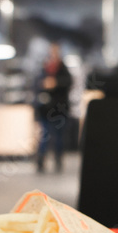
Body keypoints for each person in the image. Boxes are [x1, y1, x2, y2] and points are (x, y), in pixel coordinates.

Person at [34, 43, 73, 173]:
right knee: (44, 135)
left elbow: (69, 83)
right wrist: (43, 84)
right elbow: (36, 84)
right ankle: (41, 161)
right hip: (45, 109)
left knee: (59, 137)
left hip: (60, 109)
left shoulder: (63, 68)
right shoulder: (44, 68)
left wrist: (55, 83)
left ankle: (58, 160)